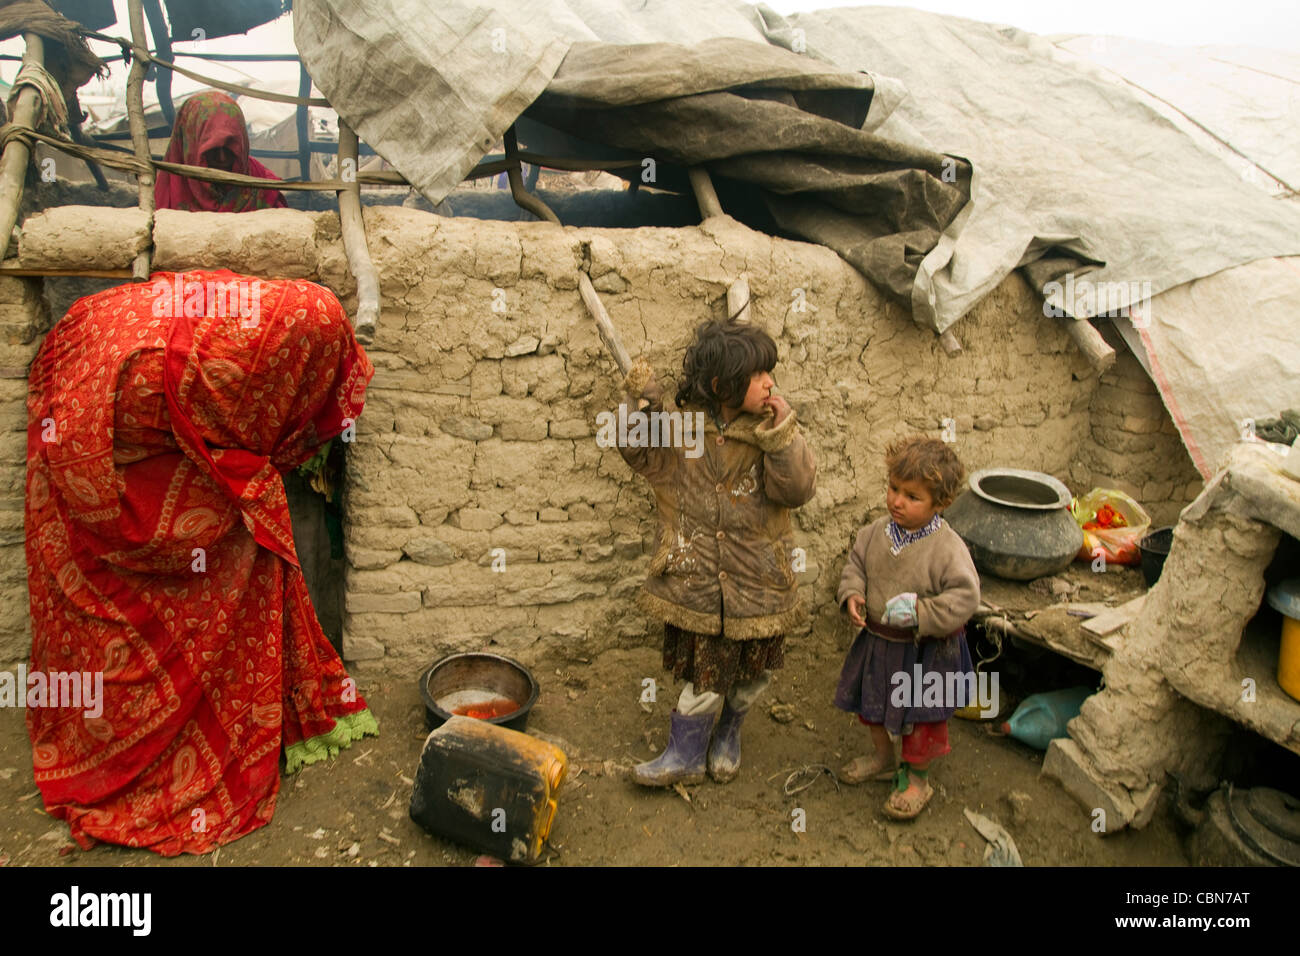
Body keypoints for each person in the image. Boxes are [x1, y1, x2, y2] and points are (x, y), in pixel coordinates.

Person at [25, 270, 375, 855]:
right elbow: (227, 445)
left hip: (86, 361)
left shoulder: (240, 320)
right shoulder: (228, 370)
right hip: (107, 422)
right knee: (239, 533)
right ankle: (148, 754)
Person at [617, 320, 816, 787]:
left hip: (758, 583)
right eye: (758, 375)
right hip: (701, 584)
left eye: (771, 373)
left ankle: (729, 730)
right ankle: (684, 754)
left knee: (752, 674)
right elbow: (637, 451)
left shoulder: (772, 431)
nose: (770, 383)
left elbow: (798, 489)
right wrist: (641, 405)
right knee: (704, 676)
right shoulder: (686, 431)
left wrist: (782, 433)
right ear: (719, 385)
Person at [833, 435, 980, 820]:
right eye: (894, 489)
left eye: (912, 496)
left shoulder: (947, 548)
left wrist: (923, 612)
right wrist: (853, 593)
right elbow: (856, 567)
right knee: (874, 705)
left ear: (941, 503)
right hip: (881, 642)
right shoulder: (875, 534)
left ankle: (917, 778)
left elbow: (966, 598)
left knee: (922, 718)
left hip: (927, 651)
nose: (897, 501)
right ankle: (883, 758)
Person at [154, 90, 288, 212]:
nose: (222, 158)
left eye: (230, 149)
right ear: (191, 144)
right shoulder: (169, 191)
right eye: (212, 150)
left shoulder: (261, 188)